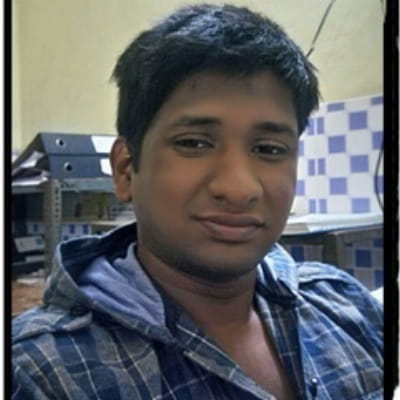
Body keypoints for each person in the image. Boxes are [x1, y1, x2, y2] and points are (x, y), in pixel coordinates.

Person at [12, 3, 383, 399]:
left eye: (269, 149)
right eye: (193, 143)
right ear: (125, 169)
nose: (239, 188)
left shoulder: (344, 305)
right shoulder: (40, 372)